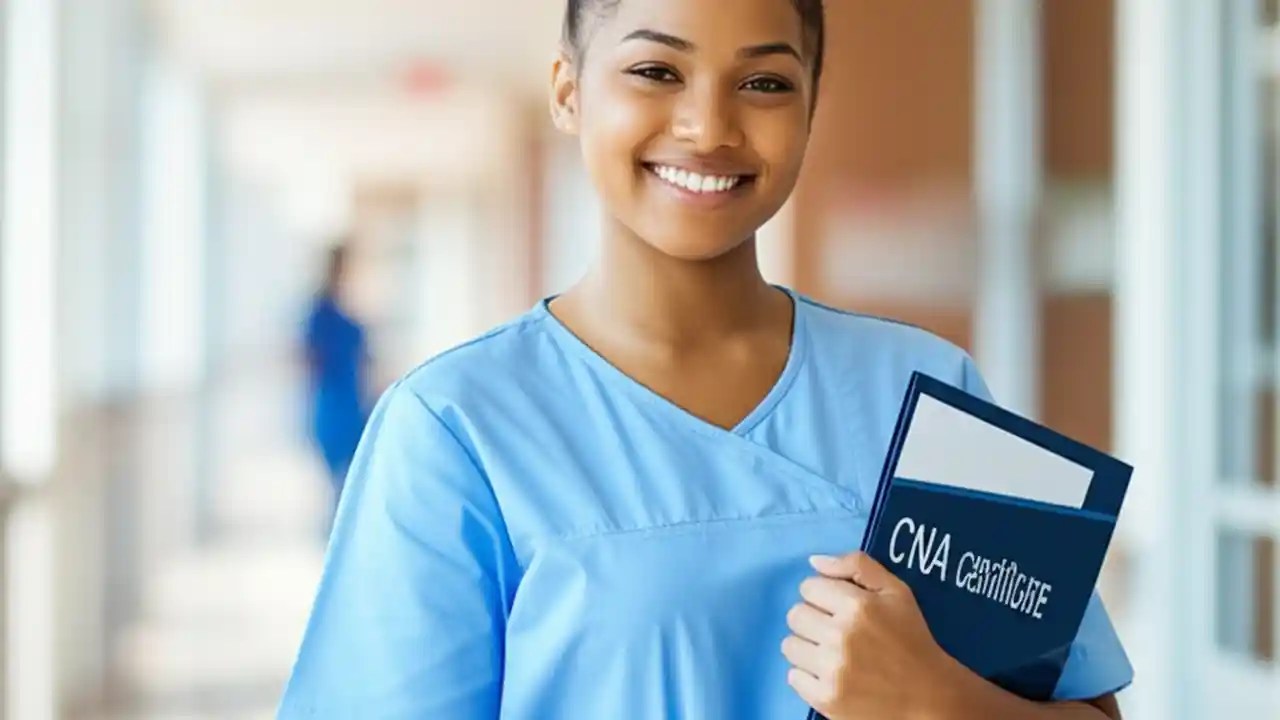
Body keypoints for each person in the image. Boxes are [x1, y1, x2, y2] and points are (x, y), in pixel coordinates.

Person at [279, 0, 1133, 717]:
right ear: (569, 92)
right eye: (657, 72)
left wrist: (937, 704)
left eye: (764, 83)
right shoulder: (455, 431)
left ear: (810, 105)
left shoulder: (932, 388)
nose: (709, 127)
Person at [302, 244, 369, 536]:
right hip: (333, 404)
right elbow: (307, 359)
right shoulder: (320, 315)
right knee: (340, 482)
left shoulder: (341, 314)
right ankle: (337, 540)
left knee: (350, 482)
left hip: (351, 403)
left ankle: (341, 536)